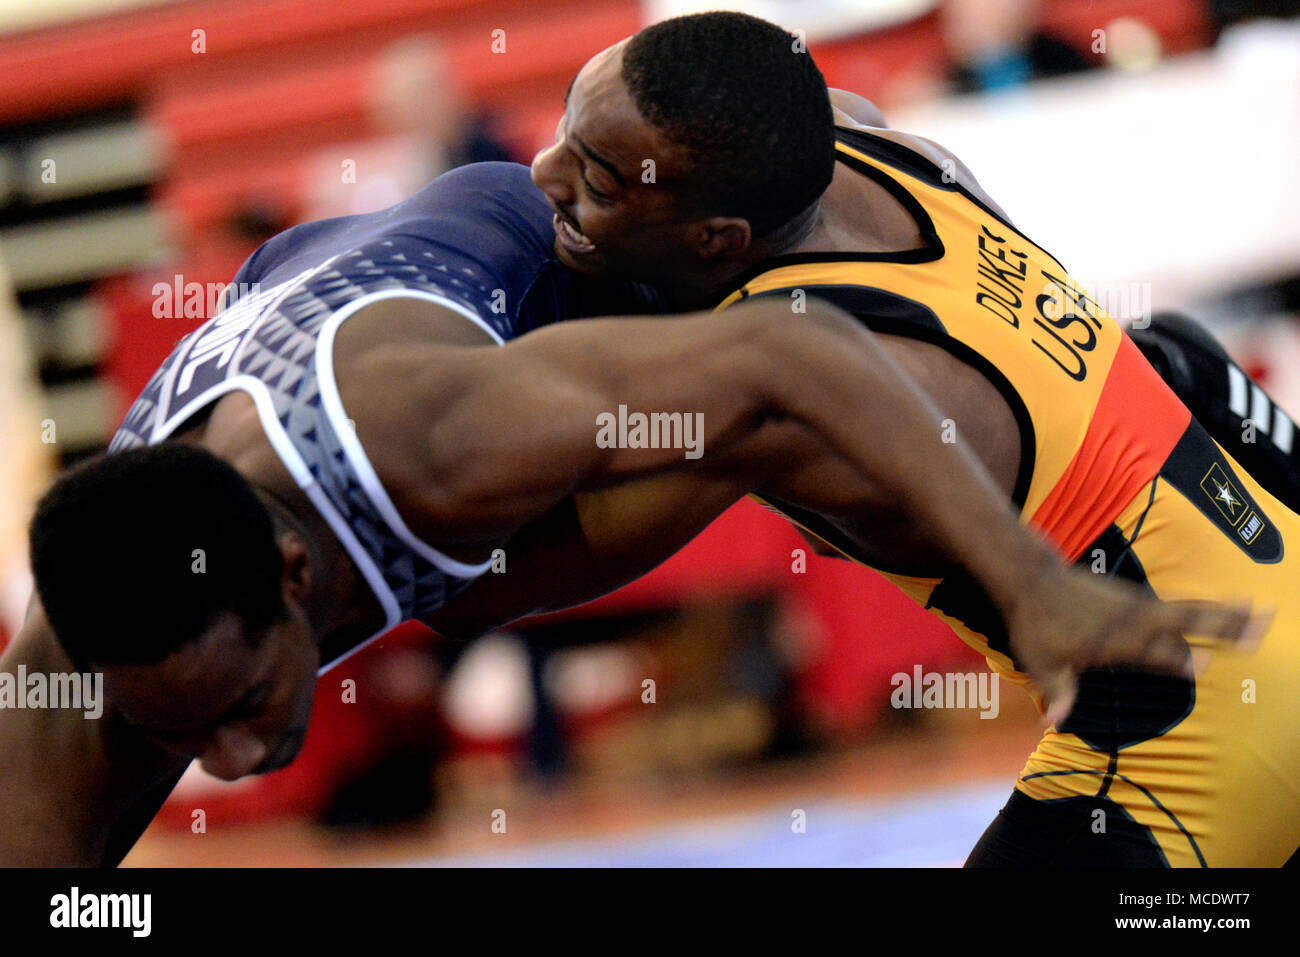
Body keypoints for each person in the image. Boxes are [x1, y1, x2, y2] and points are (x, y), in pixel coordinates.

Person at [0, 157, 1252, 868]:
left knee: (775, 413)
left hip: (521, 268)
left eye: (236, 704)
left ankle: (1150, 370)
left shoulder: (436, 440)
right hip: (285, 302)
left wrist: (1035, 590)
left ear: (289, 573)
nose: (223, 757)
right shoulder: (96, 645)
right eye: (183, 727)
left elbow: (787, 357)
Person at [509, 11, 1300, 865]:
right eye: (563, 131)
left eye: (596, 179)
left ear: (717, 239)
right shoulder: (860, 135)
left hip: (1209, 732)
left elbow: (502, 584)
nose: (539, 174)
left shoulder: (779, 385)